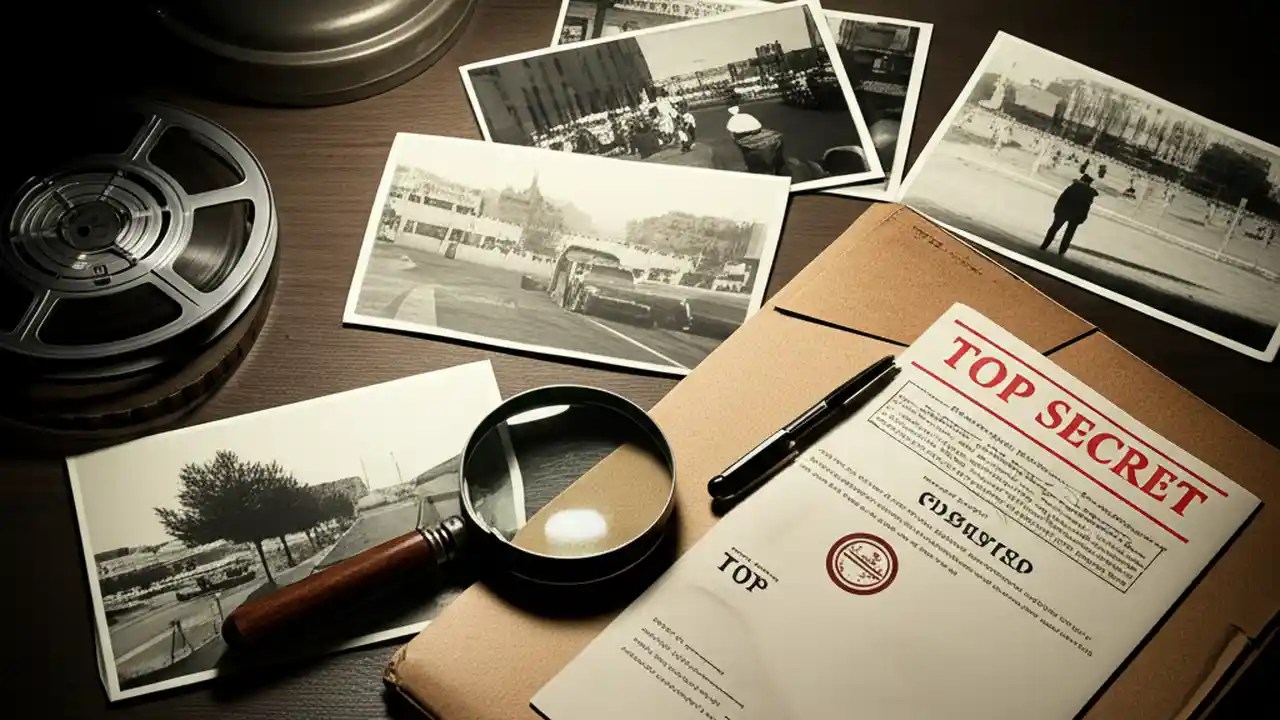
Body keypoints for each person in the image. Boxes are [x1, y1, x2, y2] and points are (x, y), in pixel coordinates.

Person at [1041, 174, 1099, 255]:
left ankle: (1044, 246)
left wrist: (1057, 210)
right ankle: (1062, 251)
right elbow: (1086, 207)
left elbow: (1062, 199)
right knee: (1069, 234)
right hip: (1076, 215)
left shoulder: (1073, 187)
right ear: (1089, 183)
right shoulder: (1089, 193)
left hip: (1064, 211)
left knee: (1054, 229)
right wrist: (1083, 217)